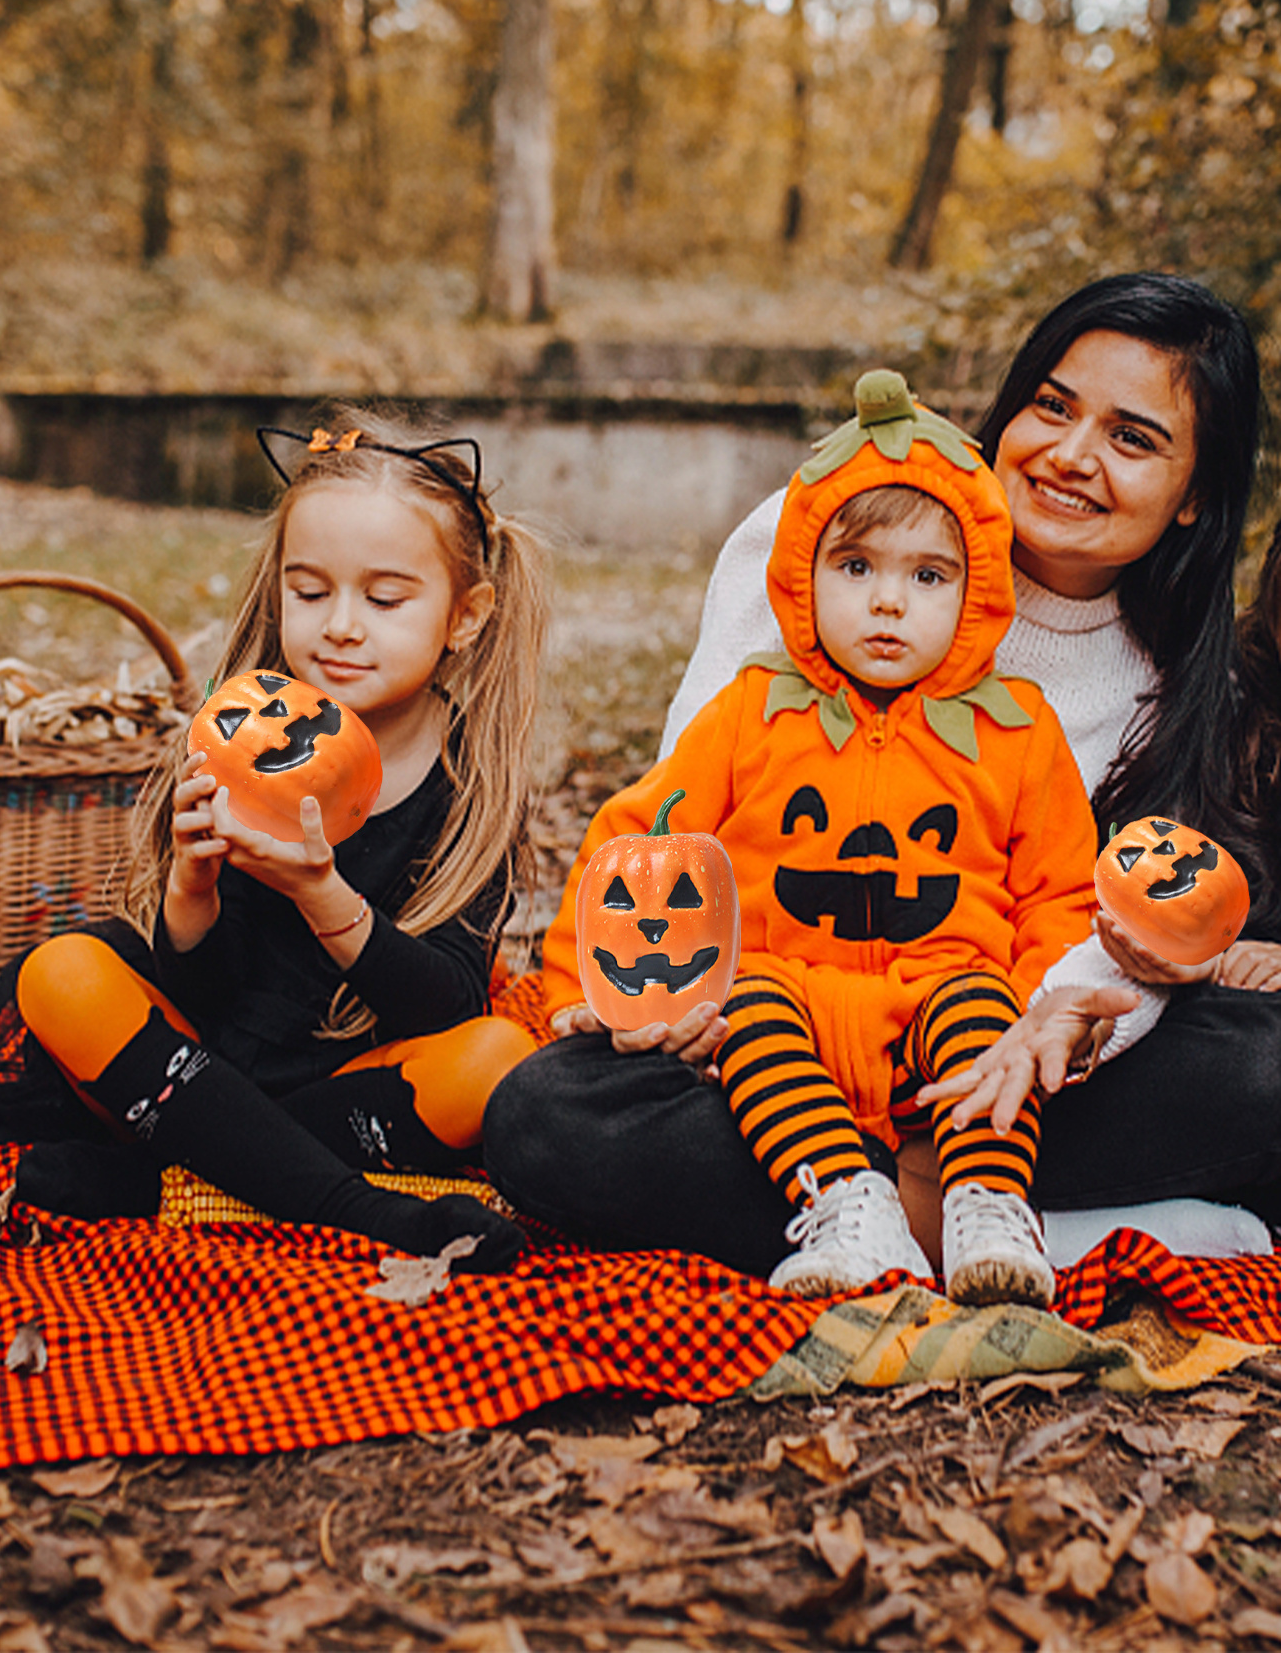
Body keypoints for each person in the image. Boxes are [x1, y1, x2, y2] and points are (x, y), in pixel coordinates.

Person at [484, 272, 1281, 1281]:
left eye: (1131, 438)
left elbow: (1091, 924)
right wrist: (656, 1001)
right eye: (1052, 405)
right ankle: (1006, 1227)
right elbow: (681, 821)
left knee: (1262, 1059)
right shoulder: (833, 529)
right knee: (540, 1115)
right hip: (769, 1038)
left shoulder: (1173, 695)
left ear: (1192, 498)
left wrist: (1053, 1032)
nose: (1071, 457)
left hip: (989, 1058)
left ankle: (919, 1211)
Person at [537, 370, 1101, 1307]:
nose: (889, 604)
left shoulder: (1016, 730)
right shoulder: (752, 713)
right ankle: (844, 1201)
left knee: (981, 1011)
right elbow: (639, 845)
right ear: (803, 577)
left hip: (945, 1006)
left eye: (928, 577)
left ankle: (988, 1199)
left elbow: (1059, 895)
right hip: (782, 1008)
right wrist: (580, 994)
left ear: (980, 590)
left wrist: (1042, 1022)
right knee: (712, 1026)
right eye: (857, 569)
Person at [0, 410, 548, 1275]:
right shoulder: (241, 735)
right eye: (309, 592)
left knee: (497, 1058)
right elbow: (205, 996)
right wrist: (193, 891)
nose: (340, 625)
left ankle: (170, 1178)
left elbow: (446, 1006)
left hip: (346, 1088)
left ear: (465, 614)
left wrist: (322, 892)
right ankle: (359, 1210)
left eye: (383, 599)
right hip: (188, 1069)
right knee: (62, 974)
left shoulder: (469, 783)